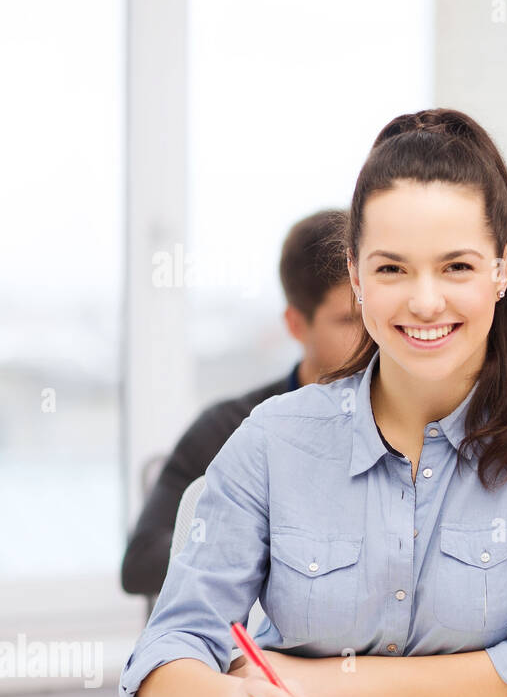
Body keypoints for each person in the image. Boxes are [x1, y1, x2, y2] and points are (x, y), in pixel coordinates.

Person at [119, 109, 507, 697]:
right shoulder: (275, 437)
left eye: (457, 267)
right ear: (355, 275)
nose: (424, 301)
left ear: (502, 270)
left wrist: (324, 683)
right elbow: (165, 653)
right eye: (392, 269)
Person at [120, 209, 361, 598]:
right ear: (297, 325)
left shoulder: (415, 423)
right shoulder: (227, 429)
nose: (374, 338)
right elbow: (140, 565)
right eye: (351, 320)